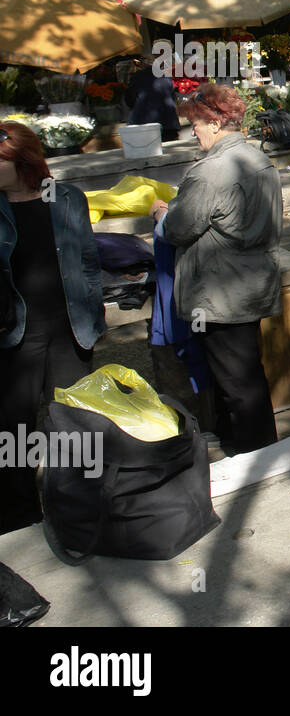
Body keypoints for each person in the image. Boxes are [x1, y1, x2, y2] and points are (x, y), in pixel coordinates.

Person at [152, 83, 281, 454]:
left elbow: (180, 228)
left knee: (236, 380)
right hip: (251, 282)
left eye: (195, 123)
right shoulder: (258, 159)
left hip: (220, 289)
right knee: (242, 373)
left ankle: (253, 451)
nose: (192, 130)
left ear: (213, 122)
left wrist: (163, 214)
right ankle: (240, 440)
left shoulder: (210, 170)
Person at [0, 120, 105, 534]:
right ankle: (19, 515)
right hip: (14, 336)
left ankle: (80, 507)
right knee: (13, 432)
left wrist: (96, 316)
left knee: (75, 423)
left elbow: (88, 260)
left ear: (23, 160)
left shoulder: (66, 199)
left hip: (70, 330)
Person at [125, 54, 181, 142]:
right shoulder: (165, 75)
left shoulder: (137, 76)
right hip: (168, 122)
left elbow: (130, 98)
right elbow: (172, 95)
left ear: (143, 64)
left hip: (146, 123)